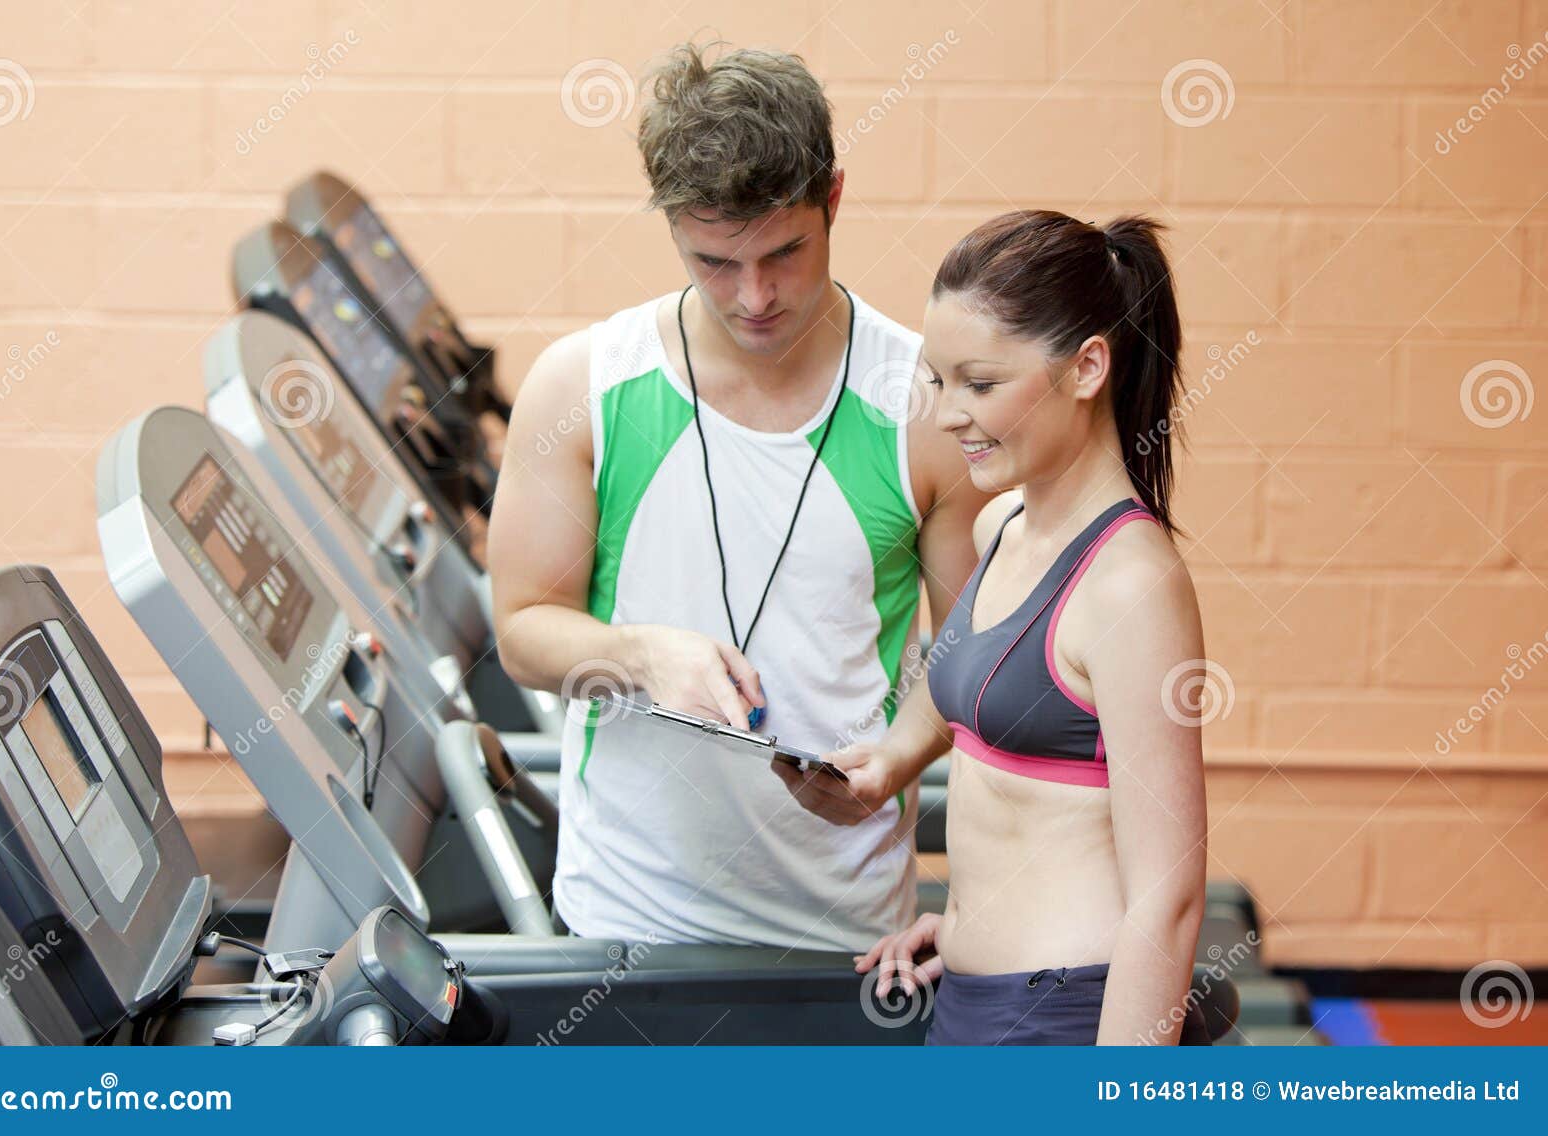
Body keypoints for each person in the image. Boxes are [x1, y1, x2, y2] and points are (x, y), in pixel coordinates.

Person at [486, 43, 990, 950]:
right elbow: (523, 628)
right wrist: (637, 655)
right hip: (629, 924)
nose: (754, 296)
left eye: (785, 253)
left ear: (834, 198)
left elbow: (967, 663)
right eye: (714, 261)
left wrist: (902, 756)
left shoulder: (924, 404)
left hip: (846, 932)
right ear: (675, 225)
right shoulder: (582, 391)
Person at [793, 210, 1210, 1044]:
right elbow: (964, 690)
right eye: (938, 383)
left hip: (1061, 1023)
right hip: (968, 1006)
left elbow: (1169, 899)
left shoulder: (1131, 585)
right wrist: (886, 765)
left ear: (1089, 366)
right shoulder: (1004, 526)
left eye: (979, 385)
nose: (947, 415)